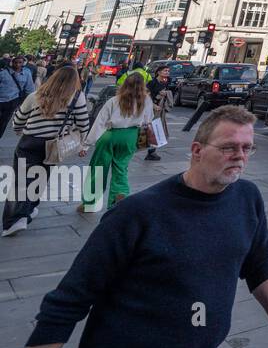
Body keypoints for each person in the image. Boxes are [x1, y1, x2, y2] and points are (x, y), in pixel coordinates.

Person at [20, 105, 268, 348]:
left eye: (247, 148)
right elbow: (70, 300)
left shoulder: (248, 197)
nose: (240, 157)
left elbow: (260, 260)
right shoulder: (137, 213)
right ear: (197, 151)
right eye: (229, 148)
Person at [1, 66, 90, 237]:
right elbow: (84, 124)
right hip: (53, 145)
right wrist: (80, 141)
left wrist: (20, 130)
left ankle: (13, 221)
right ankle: (30, 209)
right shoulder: (77, 97)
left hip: (29, 142)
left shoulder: (35, 96)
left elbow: (18, 120)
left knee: (21, 181)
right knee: (41, 177)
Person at [80, 72, 154, 213]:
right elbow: (147, 122)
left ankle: (90, 202)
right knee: (121, 169)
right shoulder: (147, 101)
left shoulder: (114, 100)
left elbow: (100, 122)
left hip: (110, 135)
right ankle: (118, 198)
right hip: (130, 136)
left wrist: (86, 144)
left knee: (98, 169)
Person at [0, 56, 36, 143]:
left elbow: (29, 88)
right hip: (1, 99)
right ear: (12, 62)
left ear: (23, 63)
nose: (17, 64)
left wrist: (29, 102)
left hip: (13, 101)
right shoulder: (4, 72)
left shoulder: (27, 73)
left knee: (4, 121)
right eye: (16, 62)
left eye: (20, 62)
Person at [144, 65, 175, 162]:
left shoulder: (166, 82)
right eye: (165, 71)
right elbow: (145, 96)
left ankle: (152, 152)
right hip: (152, 110)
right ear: (159, 72)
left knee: (157, 130)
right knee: (151, 130)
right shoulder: (152, 83)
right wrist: (153, 105)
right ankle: (150, 151)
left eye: (168, 71)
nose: (167, 73)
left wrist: (166, 94)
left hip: (160, 111)